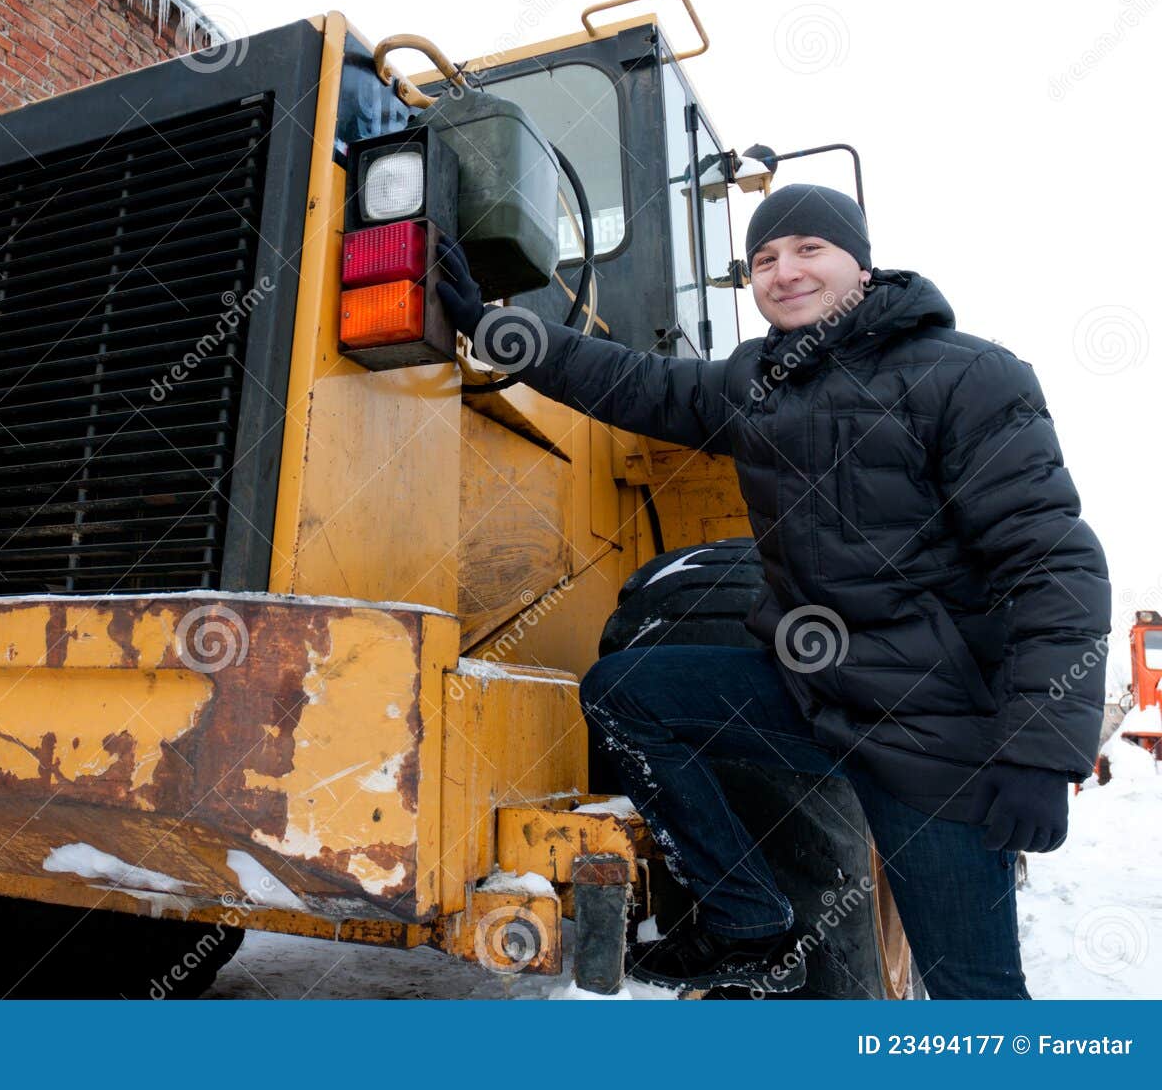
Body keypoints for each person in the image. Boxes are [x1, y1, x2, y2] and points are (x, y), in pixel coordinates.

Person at [434, 184, 1111, 998]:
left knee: (975, 994)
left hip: (935, 744)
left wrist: (1043, 752)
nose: (784, 272)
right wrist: (489, 324)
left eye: (808, 250)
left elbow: (1053, 564)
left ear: (860, 263)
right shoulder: (758, 382)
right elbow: (625, 380)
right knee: (626, 691)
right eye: (764, 259)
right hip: (815, 699)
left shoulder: (968, 376)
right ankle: (748, 917)